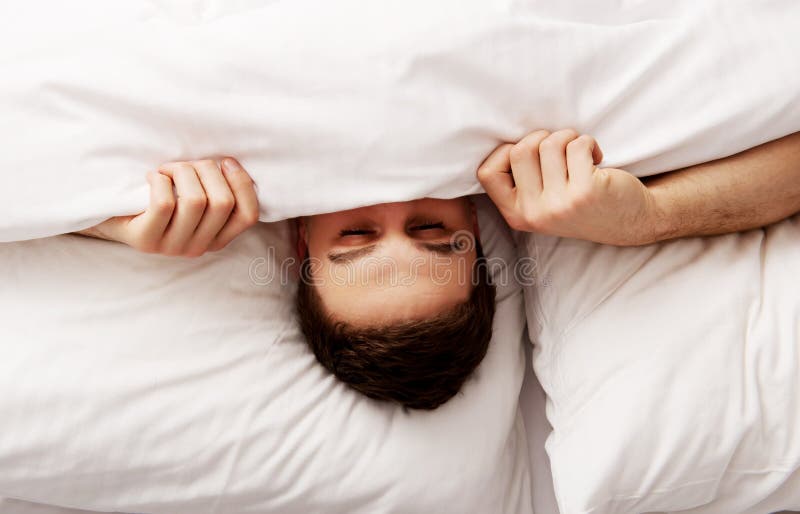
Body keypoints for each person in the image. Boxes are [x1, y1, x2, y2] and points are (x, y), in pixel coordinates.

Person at [78, 129, 800, 409]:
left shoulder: (220, 174)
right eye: (432, 230)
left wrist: (112, 221)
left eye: (354, 237)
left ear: (299, 247)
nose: (393, 203)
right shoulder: (549, 158)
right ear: (478, 232)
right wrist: (652, 216)